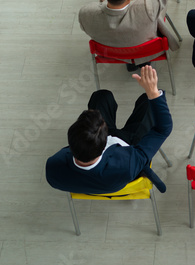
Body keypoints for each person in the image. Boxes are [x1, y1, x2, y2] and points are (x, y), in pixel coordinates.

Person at [45, 65, 172, 195]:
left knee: (101, 96)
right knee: (147, 102)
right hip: (129, 144)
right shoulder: (129, 164)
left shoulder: (53, 168)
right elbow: (162, 129)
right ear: (104, 144)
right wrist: (153, 93)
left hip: (98, 165)